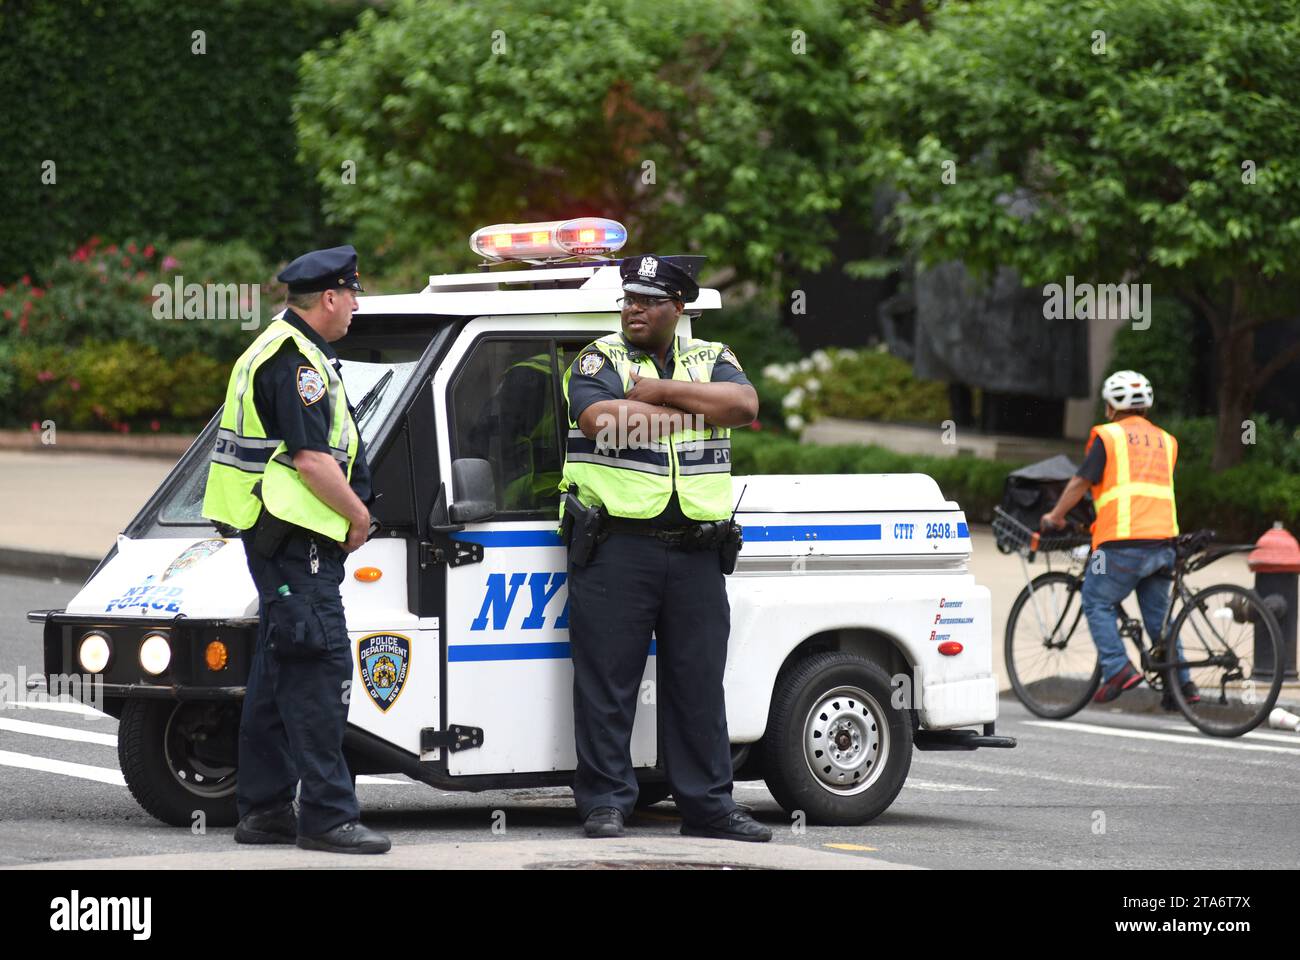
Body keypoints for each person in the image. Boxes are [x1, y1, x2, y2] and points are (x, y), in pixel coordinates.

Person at [560, 253, 771, 842]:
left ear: (679, 307)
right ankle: (605, 802)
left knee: (698, 683)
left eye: (649, 301)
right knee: (607, 683)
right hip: (617, 547)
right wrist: (694, 409)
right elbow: (604, 420)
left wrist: (657, 392)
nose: (633, 310)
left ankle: (708, 806)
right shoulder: (599, 357)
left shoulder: (714, 356)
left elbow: (746, 407)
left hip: (698, 550)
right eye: (629, 299)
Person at [202, 245, 391, 854]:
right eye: (353, 295)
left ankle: (264, 811)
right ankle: (329, 817)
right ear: (330, 297)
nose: (357, 306)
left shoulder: (280, 348)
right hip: (297, 540)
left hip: (279, 539)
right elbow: (311, 460)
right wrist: (358, 516)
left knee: (278, 670)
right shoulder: (296, 361)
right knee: (318, 671)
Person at [1041, 370, 1198, 707]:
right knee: (1158, 621)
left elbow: (1081, 482)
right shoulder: (1166, 440)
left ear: (1112, 405)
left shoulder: (1109, 437)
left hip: (1123, 543)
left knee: (1096, 598)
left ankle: (1117, 669)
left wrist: (1056, 515)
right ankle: (1183, 686)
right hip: (1164, 542)